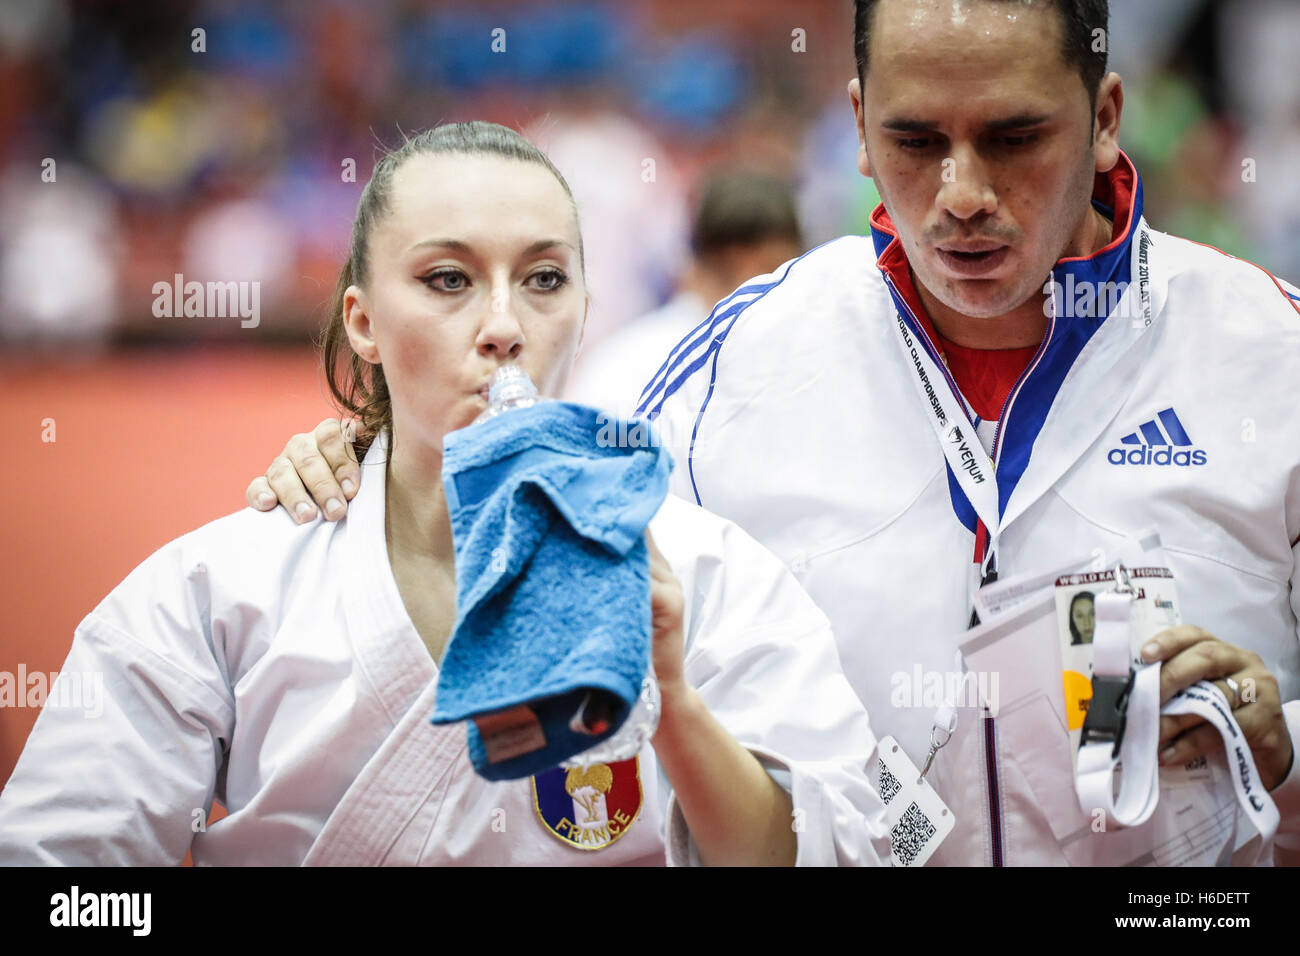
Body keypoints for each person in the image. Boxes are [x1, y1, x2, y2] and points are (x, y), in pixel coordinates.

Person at [254, 2, 1300, 866]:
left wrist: (1283, 740)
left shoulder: (1270, 351)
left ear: (1106, 114)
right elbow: (549, 511)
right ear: (854, 123)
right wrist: (388, 462)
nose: (963, 196)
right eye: (914, 140)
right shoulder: (737, 367)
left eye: (1015, 137)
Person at [0, 122, 891, 867]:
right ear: (364, 322)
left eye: (545, 279)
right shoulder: (223, 589)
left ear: (586, 305)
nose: (504, 328)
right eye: (447, 280)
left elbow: (840, 848)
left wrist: (671, 698)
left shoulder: (711, 575)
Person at [564, 169, 803, 418]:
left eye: (771, 275)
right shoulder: (627, 369)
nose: (750, 297)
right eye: (729, 277)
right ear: (693, 272)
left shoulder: (818, 354)